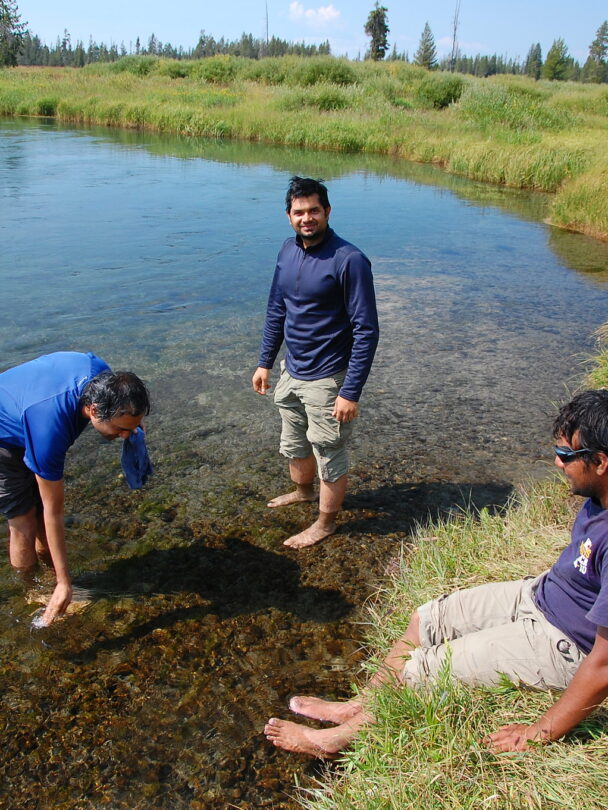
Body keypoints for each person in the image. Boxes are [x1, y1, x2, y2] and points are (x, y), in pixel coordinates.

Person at [264, 390, 608, 756]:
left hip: (565, 643)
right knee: (426, 619)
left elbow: (603, 663)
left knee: (423, 670)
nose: (557, 463)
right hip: (539, 595)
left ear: (601, 462)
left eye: (565, 455)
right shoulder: (597, 496)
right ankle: (357, 706)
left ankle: (331, 742)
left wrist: (540, 731)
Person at [252, 177, 379, 549]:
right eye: (299, 212)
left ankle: (326, 523)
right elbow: (277, 310)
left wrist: (350, 391)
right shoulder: (287, 251)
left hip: (329, 378)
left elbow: (366, 331)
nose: (306, 218)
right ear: (288, 215)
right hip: (292, 371)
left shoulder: (349, 260)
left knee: (329, 450)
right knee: (293, 442)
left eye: (313, 211)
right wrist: (265, 362)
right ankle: (304, 493)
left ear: (327, 211)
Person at [0, 351, 150, 625]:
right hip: (5, 438)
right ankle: (32, 590)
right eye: (120, 429)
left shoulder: (103, 375)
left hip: (24, 409)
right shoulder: (49, 431)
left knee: (42, 521)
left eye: (133, 427)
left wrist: (133, 424)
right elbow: (53, 511)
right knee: (24, 521)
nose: (126, 435)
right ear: (94, 410)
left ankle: (50, 576)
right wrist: (65, 581)